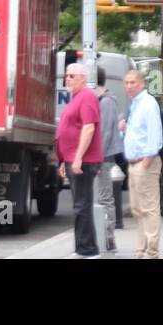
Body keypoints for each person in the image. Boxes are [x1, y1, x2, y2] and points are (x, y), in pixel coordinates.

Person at [55, 62, 103, 258]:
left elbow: (88, 127)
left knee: (82, 205)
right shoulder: (75, 98)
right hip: (73, 159)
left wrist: (77, 158)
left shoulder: (87, 97)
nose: (68, 78)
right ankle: (83, 248)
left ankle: (88, 250)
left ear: (83, 78)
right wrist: (63, 160)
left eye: (72, 76)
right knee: (80, 205)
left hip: (83, 160)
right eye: (66, 75)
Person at [122, 69, 163, 259]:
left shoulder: (148, 104)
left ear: (142, 83)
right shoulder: (135, 105)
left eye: (133, 82)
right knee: (137, 210)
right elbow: (138, 134)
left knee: (148, 209)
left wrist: (147, 160)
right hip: (134, 163)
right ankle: (142, 249)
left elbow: (154, 134)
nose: (129, 86)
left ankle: (151, 252)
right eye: (127, 82)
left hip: (144, 163)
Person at [93, 67, 123, 254]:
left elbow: (104, 133)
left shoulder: (106, 102)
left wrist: (96, 158)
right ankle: (104, 236)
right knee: (102, 198)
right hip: (100, 157)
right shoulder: (103, 101)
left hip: (102, 158)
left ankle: (108, 238)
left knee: (104, 198)